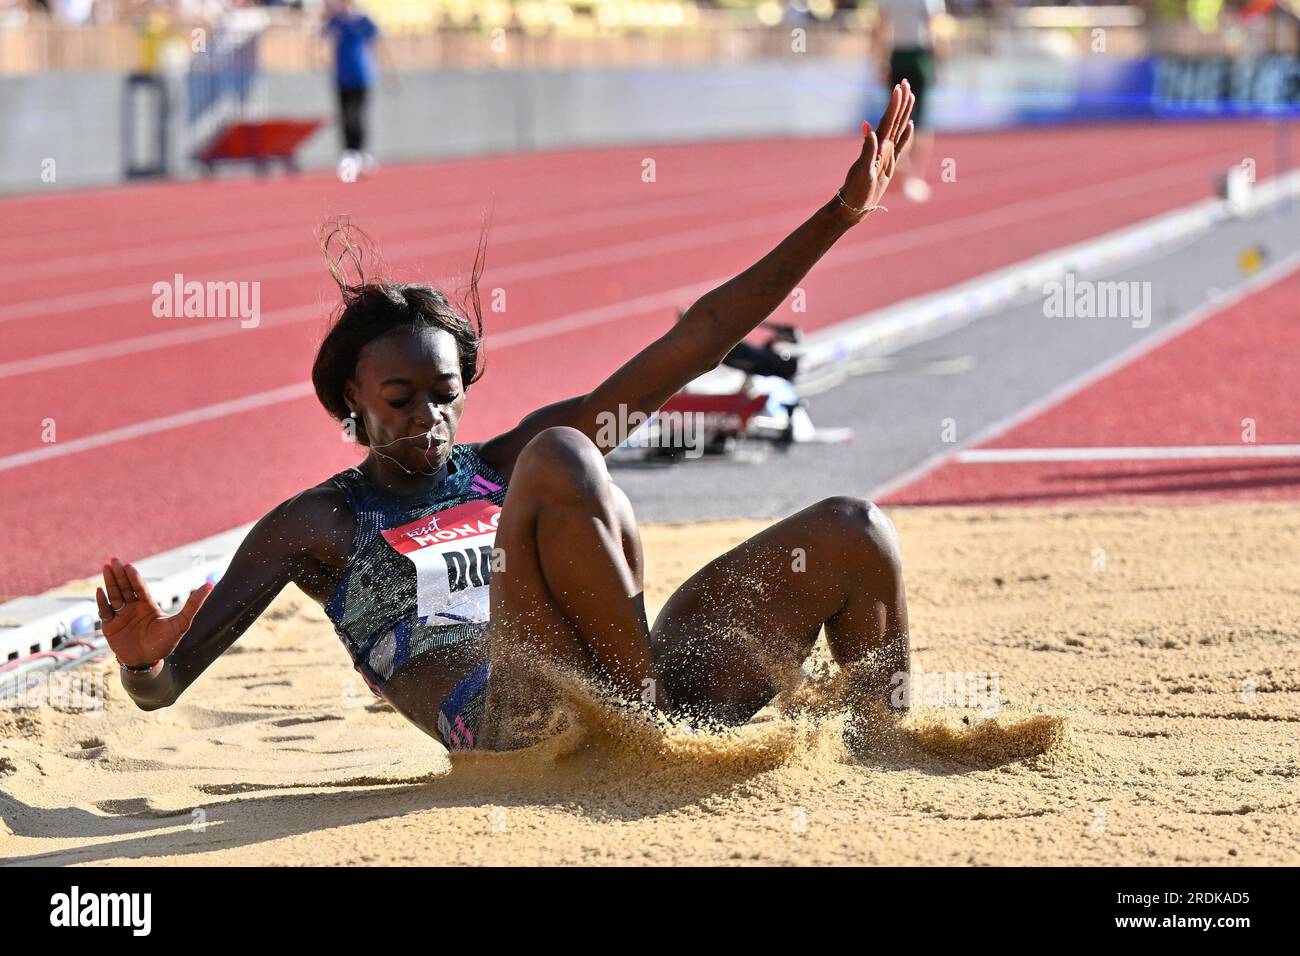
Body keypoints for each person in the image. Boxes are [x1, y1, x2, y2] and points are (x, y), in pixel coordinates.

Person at [98, 84, 919, 755]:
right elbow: (163, 689)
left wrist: (841, 213)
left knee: (853, 527)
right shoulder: (316, 523)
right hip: (517, 717)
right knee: (565, 455)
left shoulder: (503, 464)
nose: (431, 417)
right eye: (400, 399)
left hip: (626, 680)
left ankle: (888, 749)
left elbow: (695, 344)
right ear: (352, 394)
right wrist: (141, 667)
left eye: (446, 394)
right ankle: (652, 727)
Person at [874, 0, 946, 202]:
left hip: (897, 56)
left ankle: (896, 172)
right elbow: (934, 28)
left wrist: (880, 61)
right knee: (920, 119)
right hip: (918, 55)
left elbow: (880, 27)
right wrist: (939, 62)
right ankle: (913, 176)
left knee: (896, 118)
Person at [321, 0, 388, 178]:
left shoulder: (363, 20)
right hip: (342, 77)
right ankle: (349, 154)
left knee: (356, 116)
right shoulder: (336, 20)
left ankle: (358, 152)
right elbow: (321, 37)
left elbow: (377, 41)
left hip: (361, 76)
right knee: (344, 116)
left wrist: (382, 69)